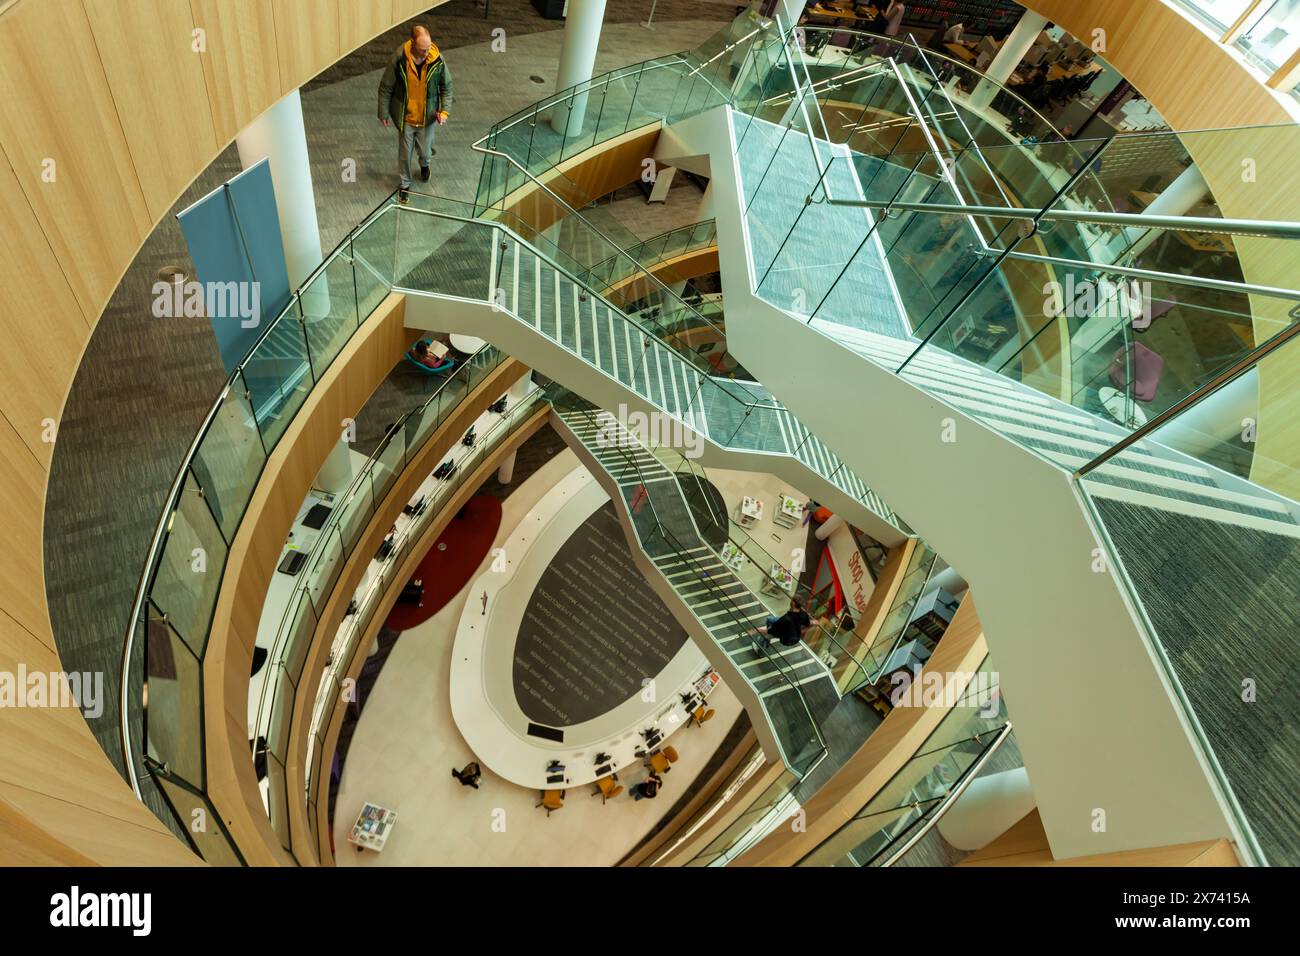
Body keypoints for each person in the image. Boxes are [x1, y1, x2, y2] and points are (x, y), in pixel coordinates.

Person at [378, 24, 454, 204]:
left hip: (427, 119)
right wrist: (383, 112)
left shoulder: (437, 60)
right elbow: (386, 87)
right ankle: (404, 185)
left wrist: (445, 111)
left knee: (425, 151)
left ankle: (425, 164)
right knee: (405, 154)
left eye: (428, 47)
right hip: (406, 118)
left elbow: (447, 87)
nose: (427, 52)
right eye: (422, 49)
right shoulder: (399, 58)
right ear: (412, 43)